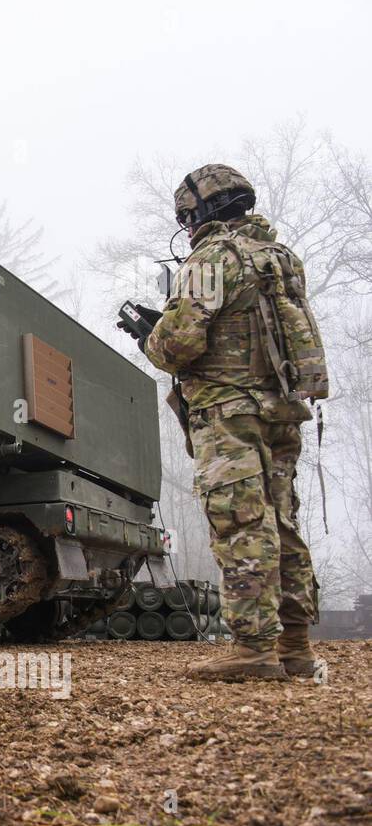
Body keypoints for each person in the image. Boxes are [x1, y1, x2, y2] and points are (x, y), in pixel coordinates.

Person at [139, 164, 326, 682]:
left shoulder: (211, 260)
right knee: (282, 523)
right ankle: (295, 647)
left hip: (229, 414)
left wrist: (150, 339)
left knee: (241, 523)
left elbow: (178, 345)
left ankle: (253, 651)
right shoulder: (282, 260)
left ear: (199, 212)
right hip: (282, 413)